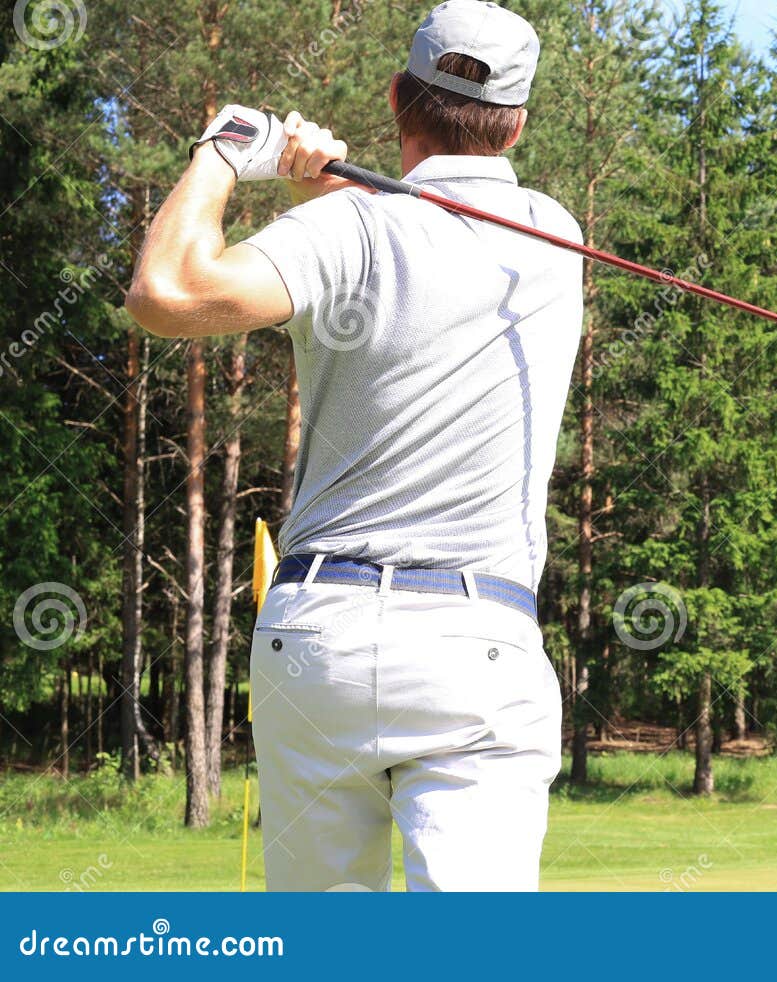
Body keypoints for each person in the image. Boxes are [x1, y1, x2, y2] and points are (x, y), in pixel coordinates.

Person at [125, 0, 580, 891]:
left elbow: (165, 292)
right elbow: (423, 246)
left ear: (396, 96)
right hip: (475, 645)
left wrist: (224, 149)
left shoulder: (347, 232)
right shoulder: (555, 235)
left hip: (318, 645)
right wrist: (329, 191)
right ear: (518, 121)